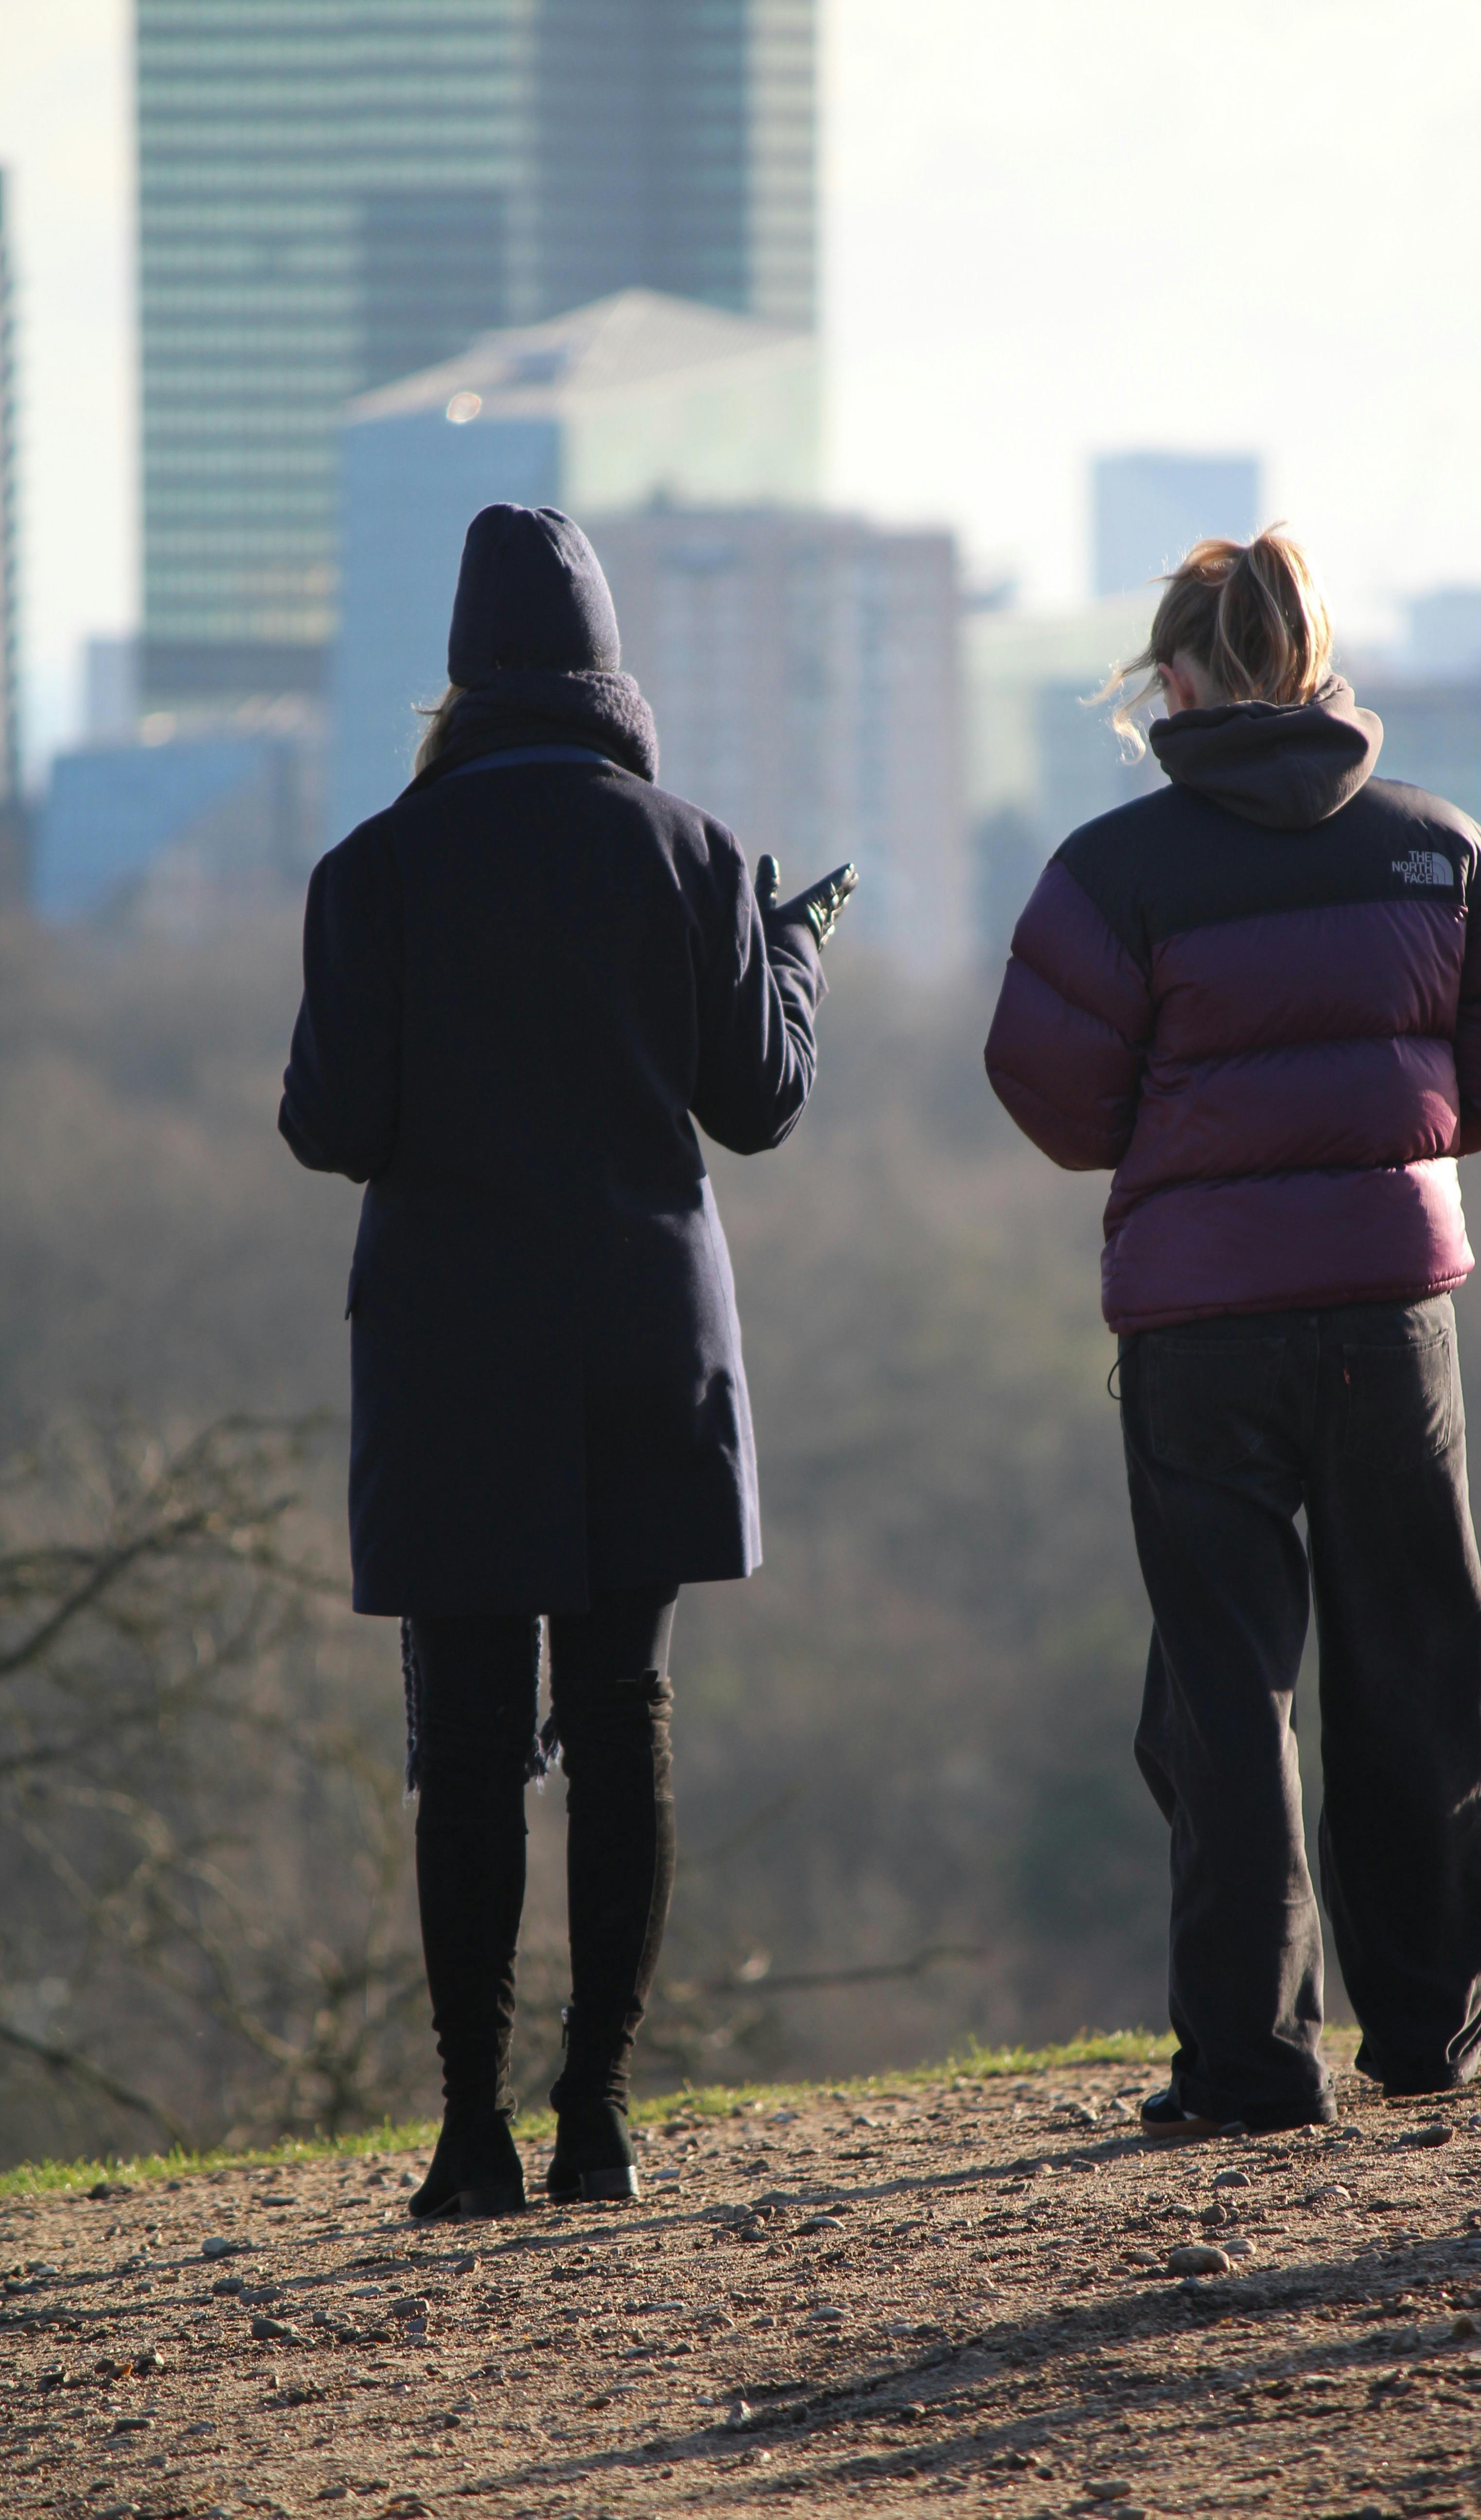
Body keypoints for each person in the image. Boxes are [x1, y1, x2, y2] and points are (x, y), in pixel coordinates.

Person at [280, 503, 856, 2216]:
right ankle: (597, 2116)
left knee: (463, 1744)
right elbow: (760, 1104)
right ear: (610, 670)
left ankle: (471, 2137)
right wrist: (795, 954)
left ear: (459, 674)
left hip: (454, 1350)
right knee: (622, 1717)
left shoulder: (371, 871)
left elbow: (334, 1127)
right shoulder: (688, 851)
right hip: (640, 1342)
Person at [984, 530, 1481, 2138]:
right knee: (1417, 1657)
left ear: (1174, 683)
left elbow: (1052, 1092)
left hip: (1203, 1326)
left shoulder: (1113, 875)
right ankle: (1434, 2030)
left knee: (1230, 1691)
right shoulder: (1444, 851)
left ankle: (1248, 2061)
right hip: (1392, 1311)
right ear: (1314, 665)